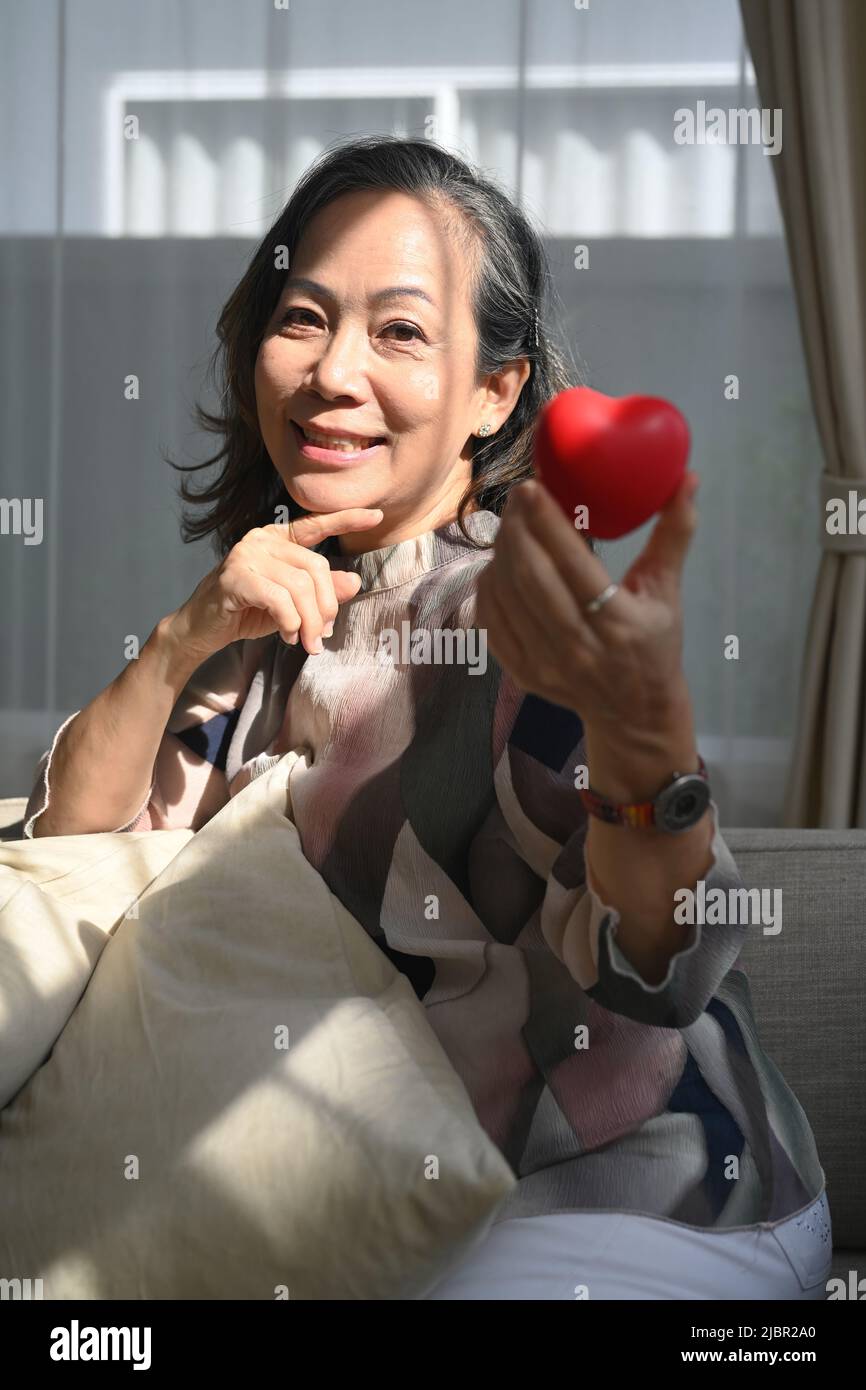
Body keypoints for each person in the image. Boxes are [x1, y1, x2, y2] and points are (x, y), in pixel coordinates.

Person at [23, 135, 830, 1300]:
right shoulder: (257, 616)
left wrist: (644, 743)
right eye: (301, 317)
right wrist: (180, 638)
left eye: (399, 331)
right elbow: (73, 851)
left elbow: (658, 968)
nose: (332, 372)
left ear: (492, 393)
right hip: (370, 1182)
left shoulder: (505, 615)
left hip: (625, 1190)